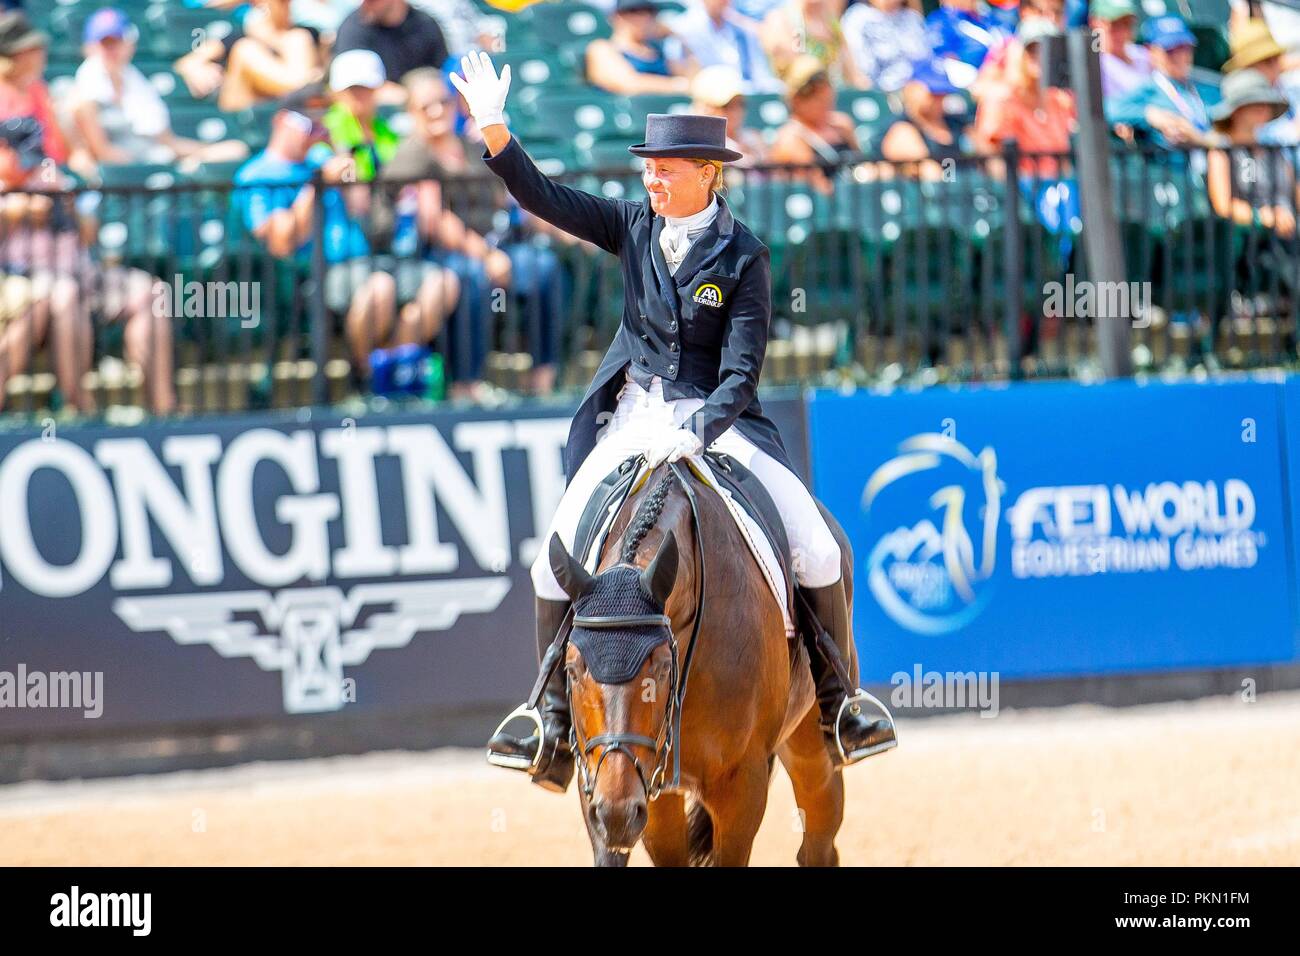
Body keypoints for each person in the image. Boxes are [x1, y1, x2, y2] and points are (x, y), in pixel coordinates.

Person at [451, 50, 896, 789]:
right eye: (647, 167)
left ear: (707, 173)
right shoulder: (630, 226)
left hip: (715, 423)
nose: (650, 178)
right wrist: (496, 131)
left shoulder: (742, 255)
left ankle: (839, 705)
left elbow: (742, 371)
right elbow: (543, 196)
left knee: (817, 548)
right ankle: (552, 720)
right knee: (547, 563)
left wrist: (701, 429)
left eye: (665, 168)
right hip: (631, 421)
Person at [234, 104, 458, 382]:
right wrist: (316, 185)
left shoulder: (322, 159)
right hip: (318, 273)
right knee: (380, 289)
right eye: (308, 125)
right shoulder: (257, 174)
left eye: (320, 126)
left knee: (444, 282)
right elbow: (282, 242)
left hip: (370, 261)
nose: (315, 133)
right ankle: (364, 376)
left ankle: (388, 367)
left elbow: (363, 210)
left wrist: (348, 168)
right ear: (281, 120)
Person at [382, 68, 567, 396]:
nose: (437, 111)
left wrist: (510, 151)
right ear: (411, 113)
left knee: (544, 267)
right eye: (426, 106)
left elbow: (513, 193)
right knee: (471, 278)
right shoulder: (413, 154)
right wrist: (487, 256)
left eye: (443, 102)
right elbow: (435, 220)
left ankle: (542, 378)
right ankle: (465, 385)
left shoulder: (470, 146)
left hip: (497, 245)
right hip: (438, 256)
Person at [0, 117, 176, 414]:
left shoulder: (51, 177)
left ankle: (164, 408)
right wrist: (20, 210)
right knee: (65, 294)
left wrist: (68, 204)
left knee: (151, 290)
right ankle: (79, 408)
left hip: (84, 275)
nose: (26, 165)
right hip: (26, 282)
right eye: (19, 157)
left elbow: (89, 235)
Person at [72, 9, 249, 174]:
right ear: (90, 46)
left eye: (116, 41)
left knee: (235, 149)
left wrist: (202, 153)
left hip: (158, 162)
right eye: (105, 43)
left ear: (129, 44)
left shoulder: (135, 81)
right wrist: (150, 171)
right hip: (129, 174)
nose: (112, 50)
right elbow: (103, 152)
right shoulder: (84, 91)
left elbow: (167, 142)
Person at [174, 0, 325, 110]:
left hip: (292, 109)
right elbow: (187, 62)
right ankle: (304, 87)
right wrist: (197, 68)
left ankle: (304, 88)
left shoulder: (304, 35)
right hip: (242, 107)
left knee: (298, 39)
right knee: (246, 49)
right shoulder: (241, 37)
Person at [974, 19, 1075, 175]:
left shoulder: (1059, 100)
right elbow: (994, 160)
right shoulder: (1001, 100)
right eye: (1033, 49)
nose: (1040, 57)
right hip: (1022, 193)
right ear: (1019, 53)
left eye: (1047, 50)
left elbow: (1064, 162)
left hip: (1057, 190)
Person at [1105, 16, 1214, 154]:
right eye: (1170, 51)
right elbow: (1106, 109)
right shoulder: (1149, 89)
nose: (1180, 56)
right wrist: (1149, 115)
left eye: (1185, 48)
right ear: (1151, 51)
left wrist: (1199, 138)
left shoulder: (1204, 89)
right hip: (1172, 171)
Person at [1207, 68, 1295, 237]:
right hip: (1251, 244)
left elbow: (1293, 192)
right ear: (1237, 110)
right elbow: (1223, 206)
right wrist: (1265, 216)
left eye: (1265, 102)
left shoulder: (1275, 149)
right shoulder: (1221, 151)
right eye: (1255, 103)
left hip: (1289, 240)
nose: (1264, 107)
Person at [0, 12, 81, 175]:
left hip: (46, 176)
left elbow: (53, 146)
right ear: (15, 56)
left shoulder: (37, 89)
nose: (41, 55)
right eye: (32, 50)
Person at [768, 55, 861, 191]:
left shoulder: (842, 125)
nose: (824, 93)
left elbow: (863, 163)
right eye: (812, 90)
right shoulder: (790, 139)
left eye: (825, 83)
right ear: (796, 99)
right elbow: (818, 191)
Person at [334, 0, 450, 103]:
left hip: (424, 103)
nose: (365, 4)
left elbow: (442, 72)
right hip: (380, 111)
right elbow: (355, 90)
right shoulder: (353, 28)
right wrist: (406, 95)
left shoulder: (424, 24)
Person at [667, 0, 782, 94]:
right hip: (709, 94)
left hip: (742, 92)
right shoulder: (683, 28)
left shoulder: (742, 28)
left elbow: (759, 74)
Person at [586, 0, 697, 96]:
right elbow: (628, 84)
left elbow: (693, 80)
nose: (644, 18)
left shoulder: (658, 50)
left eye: (650, 12)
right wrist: (676, 85)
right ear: (617, 16)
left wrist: (677, 37)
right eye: (634, 11)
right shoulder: (602, 48)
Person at [881, 57, 973, 170]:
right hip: (944, 186)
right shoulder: (903, 129)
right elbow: (934, 178)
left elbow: (989, 158)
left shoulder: (958, 124)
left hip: (971, 185)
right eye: (933, 92)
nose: (939, 98)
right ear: (912, 88)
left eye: (943, 92)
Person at [761, 0, 867, 88]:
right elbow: (795, 73)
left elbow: (854, 74)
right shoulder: (780, 19)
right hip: (800, 97)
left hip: (832, 97)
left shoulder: (833, 23)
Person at [841, 0, 930, 93]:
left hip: (917, 88)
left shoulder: (912, 17)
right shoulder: (857, 18)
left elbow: (925, 59)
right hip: (880, 92)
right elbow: (860, 74)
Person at [689, 64, 767, 166]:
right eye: (727, 105)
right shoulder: (697, 147)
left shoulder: (754, 139)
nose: (736, 112)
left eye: (740, 104)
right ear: (705, 108)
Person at [1090, 0, 1151, 99]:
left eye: (1127, 24)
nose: (1122, 32)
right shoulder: (1093, 65)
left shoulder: (1143, 55)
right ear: (1094, 22)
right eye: (1114, 24)